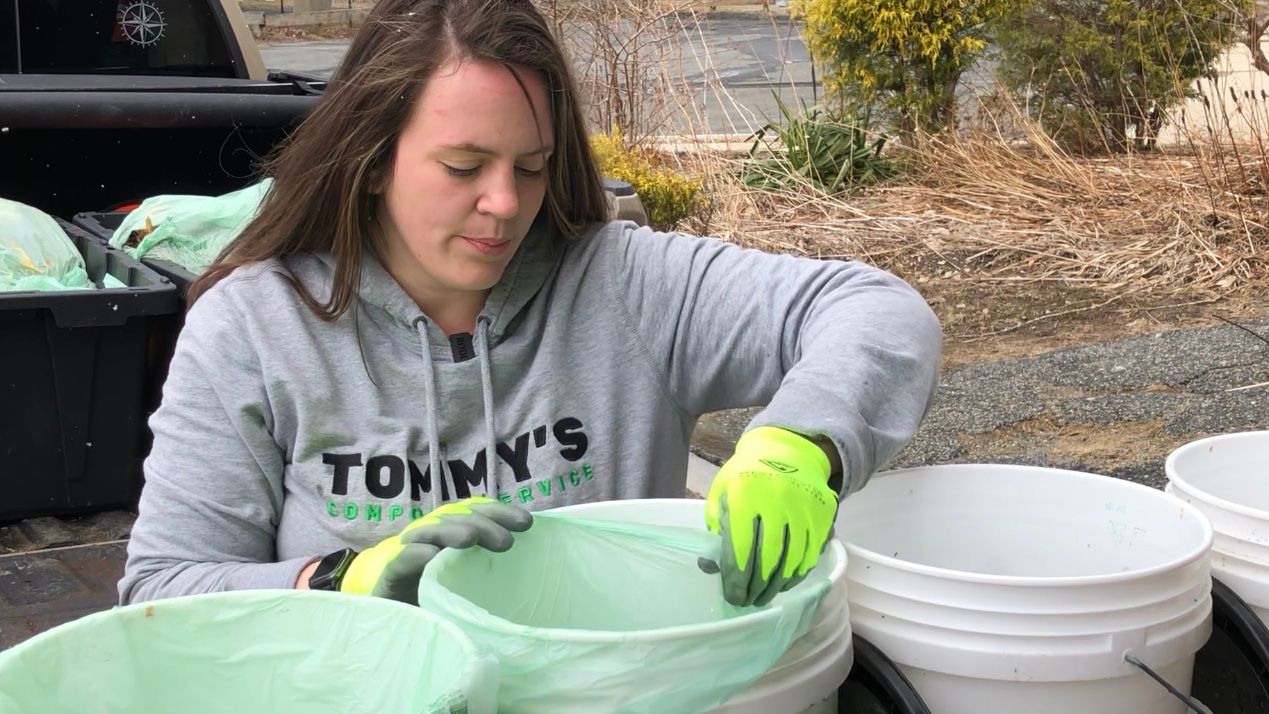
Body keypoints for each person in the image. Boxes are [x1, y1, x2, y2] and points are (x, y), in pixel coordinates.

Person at [118, 0, 942, 610]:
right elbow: (165, 587)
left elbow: (874, 307)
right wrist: (342, 578)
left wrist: (796, 447)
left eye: (532, 165)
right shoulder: (257, 327)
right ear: (371, 158)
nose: (506, 204)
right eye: (463, 165)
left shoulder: (627, 285)